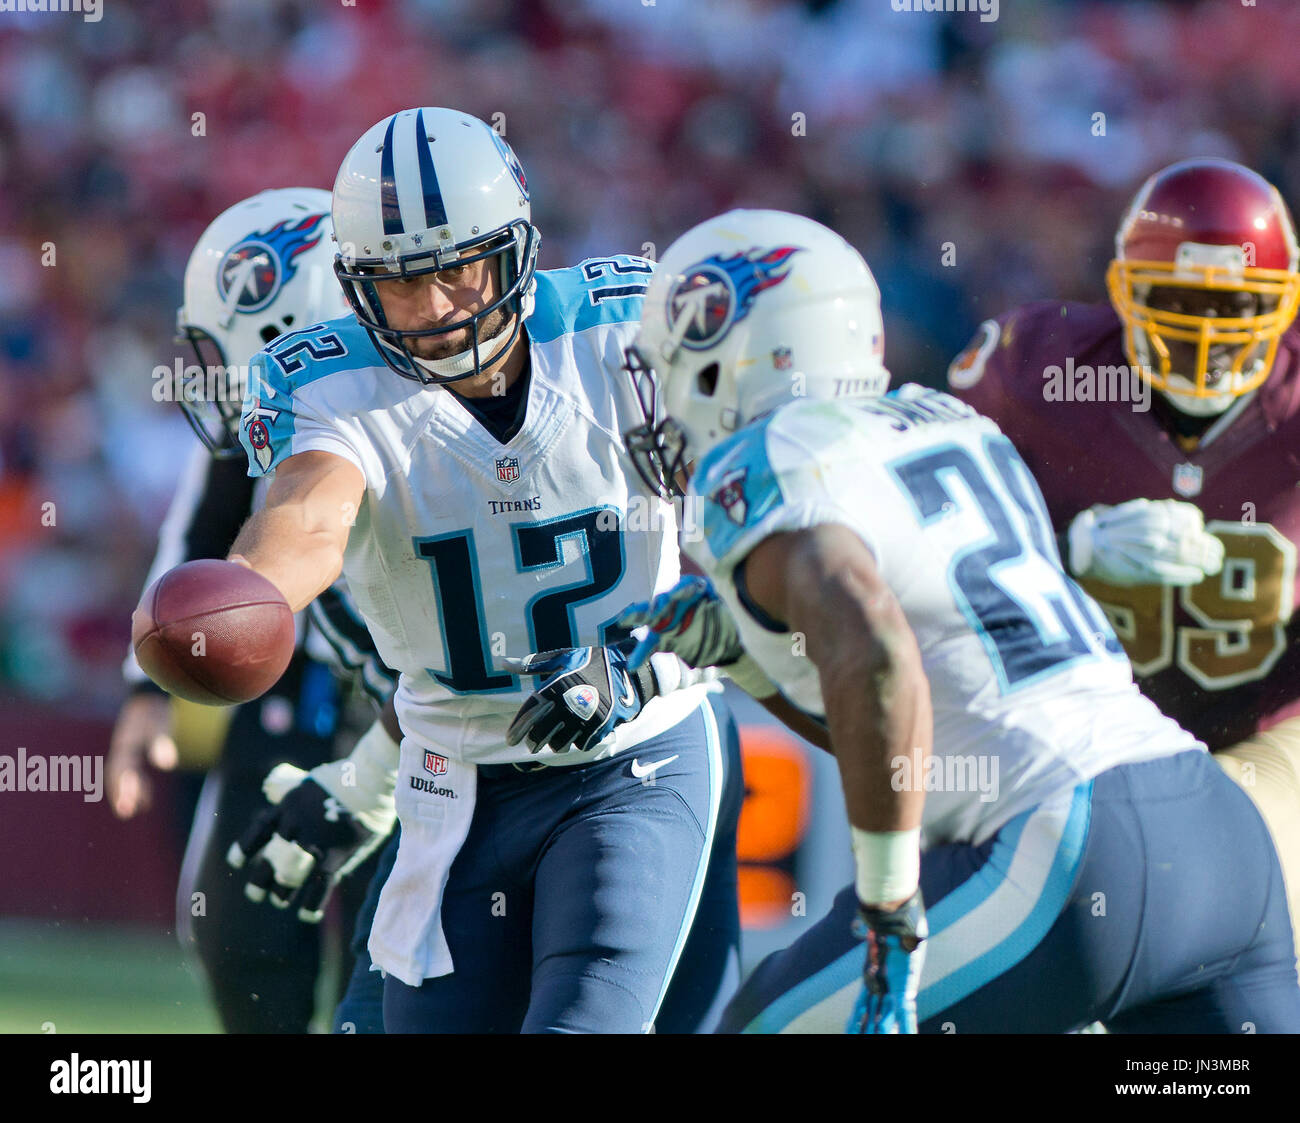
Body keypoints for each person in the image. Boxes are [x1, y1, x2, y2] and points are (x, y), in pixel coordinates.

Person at [620, 207, 1300, 1032]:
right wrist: (754, 660)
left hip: (1068, 848)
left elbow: (874, 656)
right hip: (1218, 842)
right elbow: (911, 724)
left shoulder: (766, 459)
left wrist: (888, 907)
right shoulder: (955, 423)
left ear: (741, 350)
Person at [221, 107, 741, 1033]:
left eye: (456, 269)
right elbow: (305, 516)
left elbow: (769, 560)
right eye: (397, 284)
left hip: (634, 762)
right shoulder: (327, 388)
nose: (431, 312)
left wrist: (645, 663)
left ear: (517, 246)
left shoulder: (631, 334)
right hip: (449, 779)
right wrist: (244, 602)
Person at [946, 157, 1300, 948]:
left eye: (1237, 304)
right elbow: (924, 545)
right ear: (1121, 288)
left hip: (1264, 732)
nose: (1205, 334)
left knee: (1229, 887)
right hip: (1069, 736)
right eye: (1175, 300)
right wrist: (1066, 548)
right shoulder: (1038, 371)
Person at [107, 188, 397, 1033]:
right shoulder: (258, 426)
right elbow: (197, 532)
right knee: (235, 916)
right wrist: (144, 686)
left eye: (226, 341)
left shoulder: (420, 404)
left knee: (397, 953)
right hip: (299, 678)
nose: (209, 370)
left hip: (427, 695)